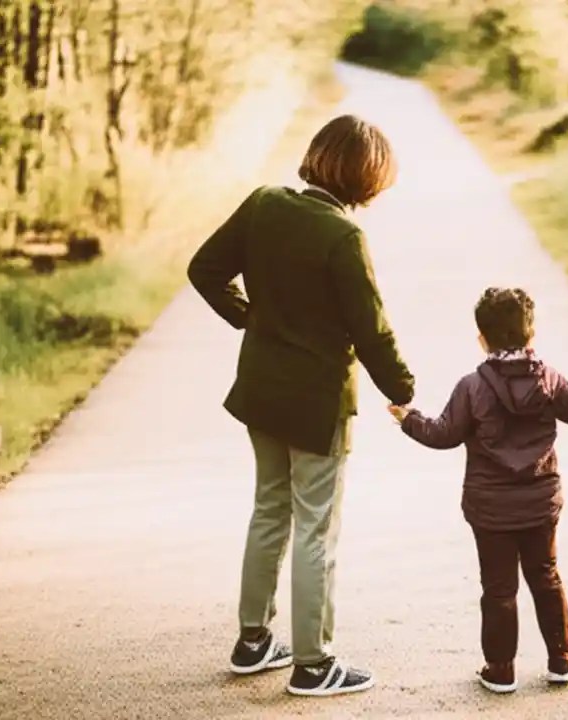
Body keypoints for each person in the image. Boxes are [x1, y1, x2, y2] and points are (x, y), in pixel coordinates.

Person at [187, 115, 414, 697]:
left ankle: (253, 641)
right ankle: (314, 664)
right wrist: (403, 388)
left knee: (269, 510)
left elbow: (204, 269)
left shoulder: (265, 203)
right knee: (316, 528)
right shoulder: (343, 236)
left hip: (261, 390)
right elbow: (372, 330)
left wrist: (250, 317)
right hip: (317, 404)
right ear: (365, 178)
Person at [387, 287, 568, 694]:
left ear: (482, 339)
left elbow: (443, 434)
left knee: (498, 589)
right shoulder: (548, 379)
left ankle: (500, 670)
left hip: (490, 509)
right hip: (540, 504)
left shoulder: (472, 387)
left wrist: (409, 418)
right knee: (545, 576)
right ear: (532, 335)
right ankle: (562, 659)